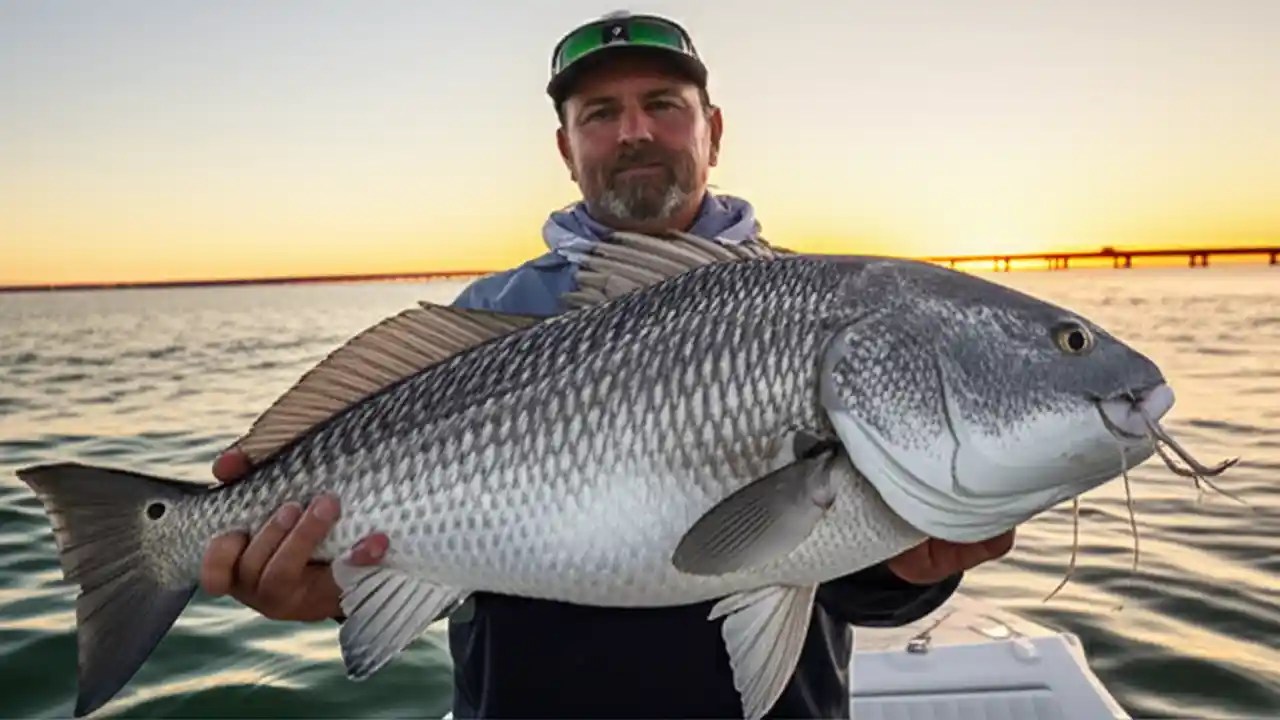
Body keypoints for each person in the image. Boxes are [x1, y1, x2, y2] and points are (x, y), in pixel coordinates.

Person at [200, 10, 1016, 718]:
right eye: (600, 113)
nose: (634, 132)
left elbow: (831, 560)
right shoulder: (495, 313)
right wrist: (324, 577)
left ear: (713, 130)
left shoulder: (811, 310)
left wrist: (909, 572)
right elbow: (420, 546)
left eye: (664, 105)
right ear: (566, 146)